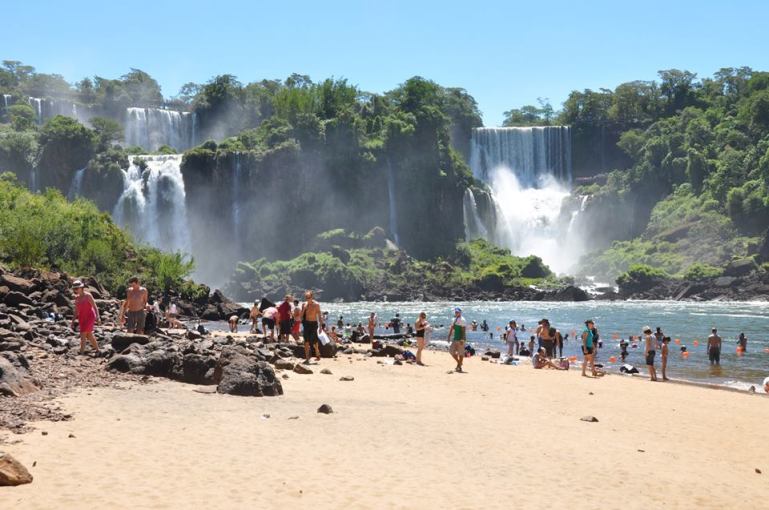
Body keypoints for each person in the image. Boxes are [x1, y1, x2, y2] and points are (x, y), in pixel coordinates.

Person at [71, 280, 100, 355]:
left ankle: (81, 352)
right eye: (74, 289)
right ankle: (97, 350)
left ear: (81, 288)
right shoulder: (77, 298)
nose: (75, 290)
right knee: (89, 335)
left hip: (90, 316)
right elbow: (76, 311)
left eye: (77, 288)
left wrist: (98, 317)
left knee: (83, 333)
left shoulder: (88, 295)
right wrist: (73, 321)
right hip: (82, 318)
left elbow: (95, 306)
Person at [301, 290, 322, 363]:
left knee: (314, 340)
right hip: (306, 324)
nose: (307, 299)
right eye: (306, 297)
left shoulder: (316, 304)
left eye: (308, 297)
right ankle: (307, 358)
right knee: (306, 341)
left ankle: (317, 350)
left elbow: (319, 315)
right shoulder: (304, 304)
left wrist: (321, 326)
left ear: (312, 297)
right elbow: (301, 316)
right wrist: (304, 309)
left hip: (314, 324)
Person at [447, 307, 467, 372]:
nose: (456, 313)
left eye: (458, 312)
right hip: (455, 338)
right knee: (451, 351)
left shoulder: (463, 320)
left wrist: (462, 339)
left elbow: (463, 331)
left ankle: (459, 367)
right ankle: (459, 363)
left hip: (460, 339)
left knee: (461, 354)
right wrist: (449, 336)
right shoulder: (454, 319)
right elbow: (452, 328)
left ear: (460, 312)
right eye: (456, 312)